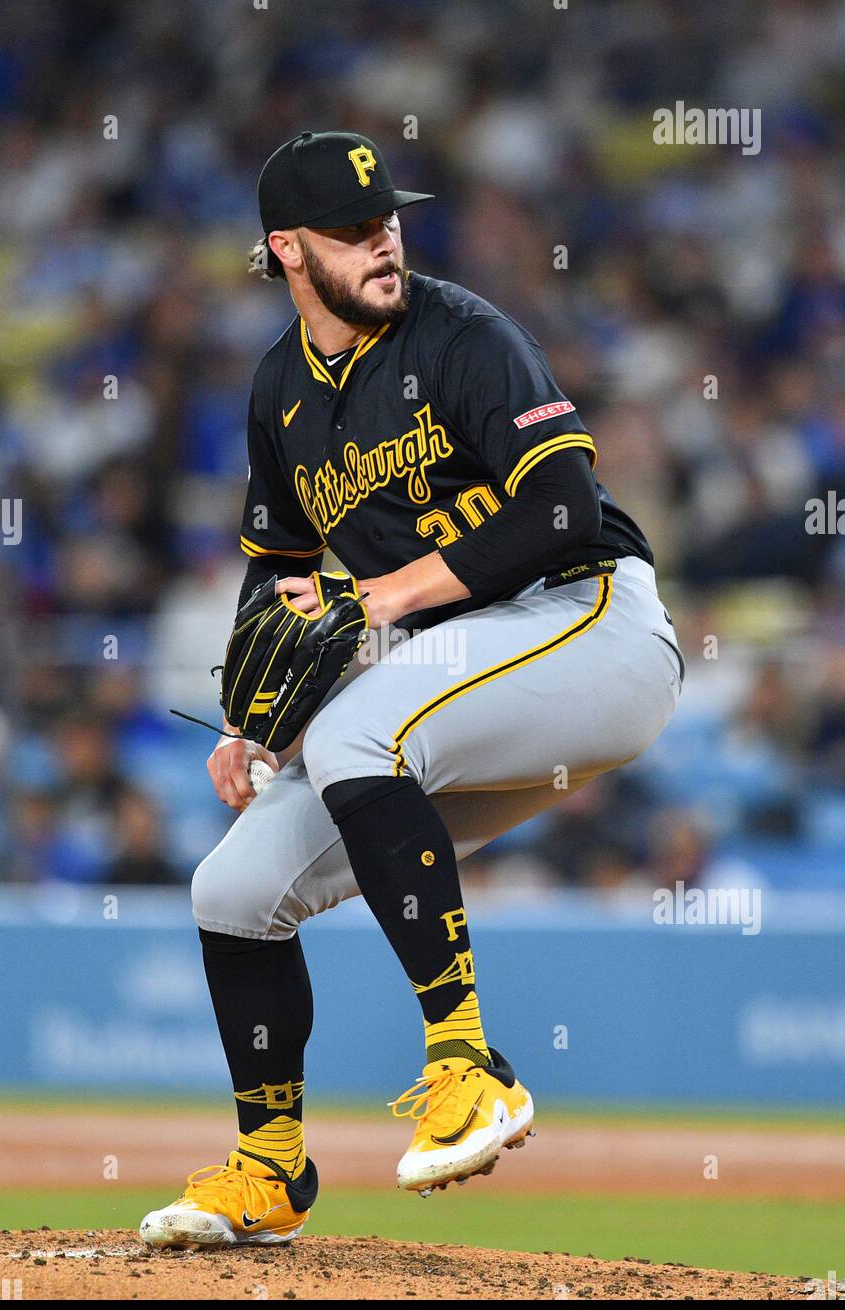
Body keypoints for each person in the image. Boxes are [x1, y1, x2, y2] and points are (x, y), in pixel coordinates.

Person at [139, 131, 684, 1249]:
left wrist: (382, 598)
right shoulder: (279, 391)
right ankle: (269, 1164)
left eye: (387, 216)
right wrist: (253, 722)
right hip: (468, 675)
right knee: (231, 888)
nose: (381, 238)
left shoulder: (462, 335)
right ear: (286, 250)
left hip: (588, 624)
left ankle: (465, 1064)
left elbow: (560, 512)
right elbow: (278, 570)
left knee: (359, 735)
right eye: (350, 229)